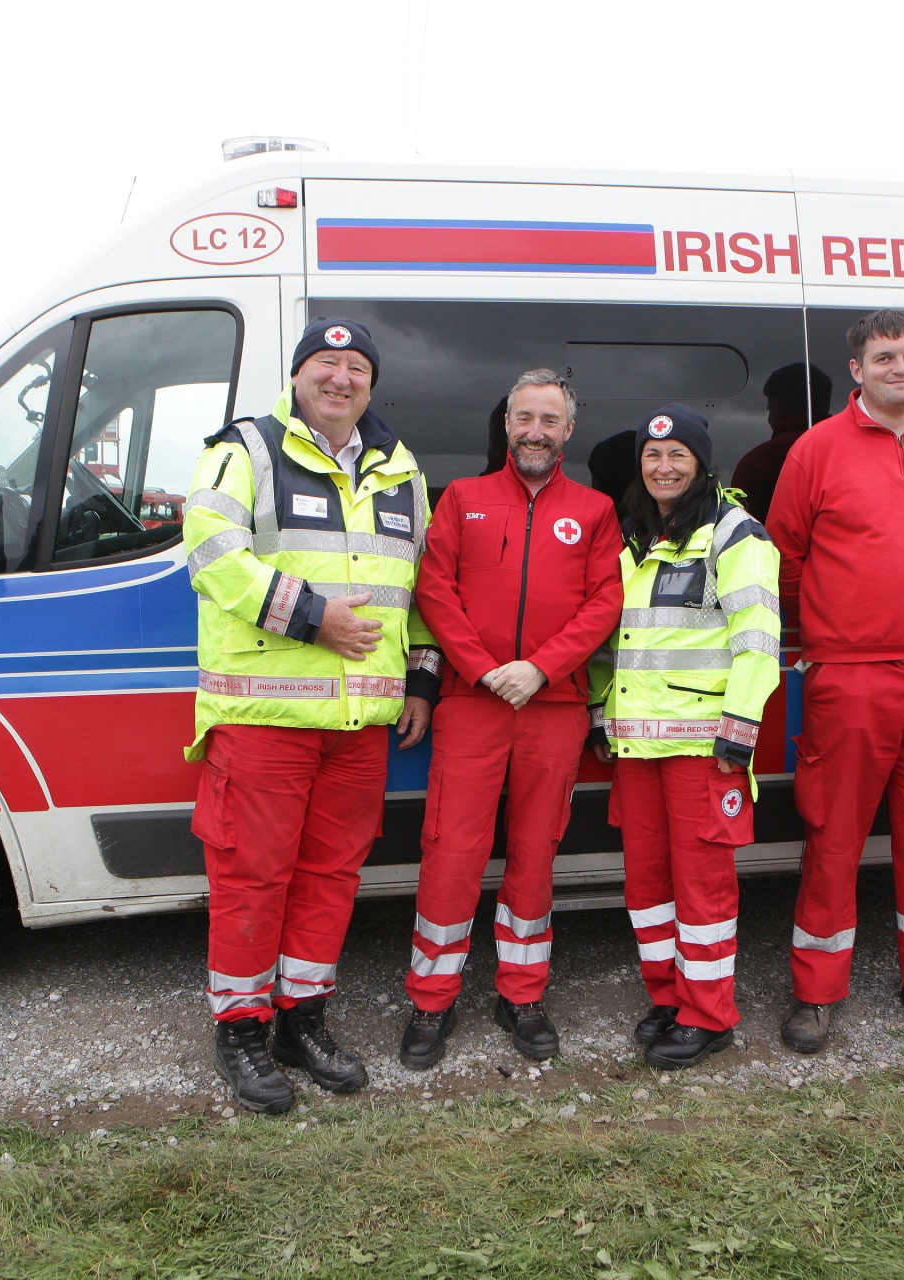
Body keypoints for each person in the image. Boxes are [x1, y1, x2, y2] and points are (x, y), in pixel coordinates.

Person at [181, 317, 440, 1114]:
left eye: (356, 366)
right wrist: (314, 617)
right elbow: (212, 553)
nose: (340, 378)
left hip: (359, 723)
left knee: (330, 878)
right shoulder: (246, 451)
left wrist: (424, 678)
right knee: (252, 877)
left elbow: (419, 587)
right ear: (298, 376)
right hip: (265, 717)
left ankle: (301, 1019)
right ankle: (242, 1030)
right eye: (325, 363)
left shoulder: (402, 472)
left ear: (370, 383)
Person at [766, 309, 904, 1055]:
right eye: (886, 356)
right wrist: (838, 631)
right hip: (853, 675)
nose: (902, 366)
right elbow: (785, 556)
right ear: (856, 370)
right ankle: (816, 993)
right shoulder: (816, 450)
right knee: (834, 836)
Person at [399, 370, 623, 1068]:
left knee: (535, 852)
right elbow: (433, 588)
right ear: (506, 426)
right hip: (473, 703)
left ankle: (521, 993)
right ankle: (431, 999)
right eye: (524, 418)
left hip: (549, 707)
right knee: (451, 851)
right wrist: (482, 665)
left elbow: (603, 602)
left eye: (549, 420)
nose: (535, 431)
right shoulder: (462, 500)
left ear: (568, 430)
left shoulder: (595, 509)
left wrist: (542, 668)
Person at [589, 403, 781, 1070]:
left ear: (701, 462)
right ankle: (669, 997)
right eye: (652, 455)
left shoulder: (736, 535)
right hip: (638, 746)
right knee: (647, 884)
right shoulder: (635, 538)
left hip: (704, 746)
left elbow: (759, 642)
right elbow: (616, 644)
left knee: (703, 890)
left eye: (677, 455)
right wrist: (597, 711)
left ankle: (710, 1013)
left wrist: (741, 726)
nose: (664, 466)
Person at [730, 363, 832, 522]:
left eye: (769, 409)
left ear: (777, 407)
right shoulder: (858, 450)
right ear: (827, 404)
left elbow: (740, 532)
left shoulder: (759, 463)